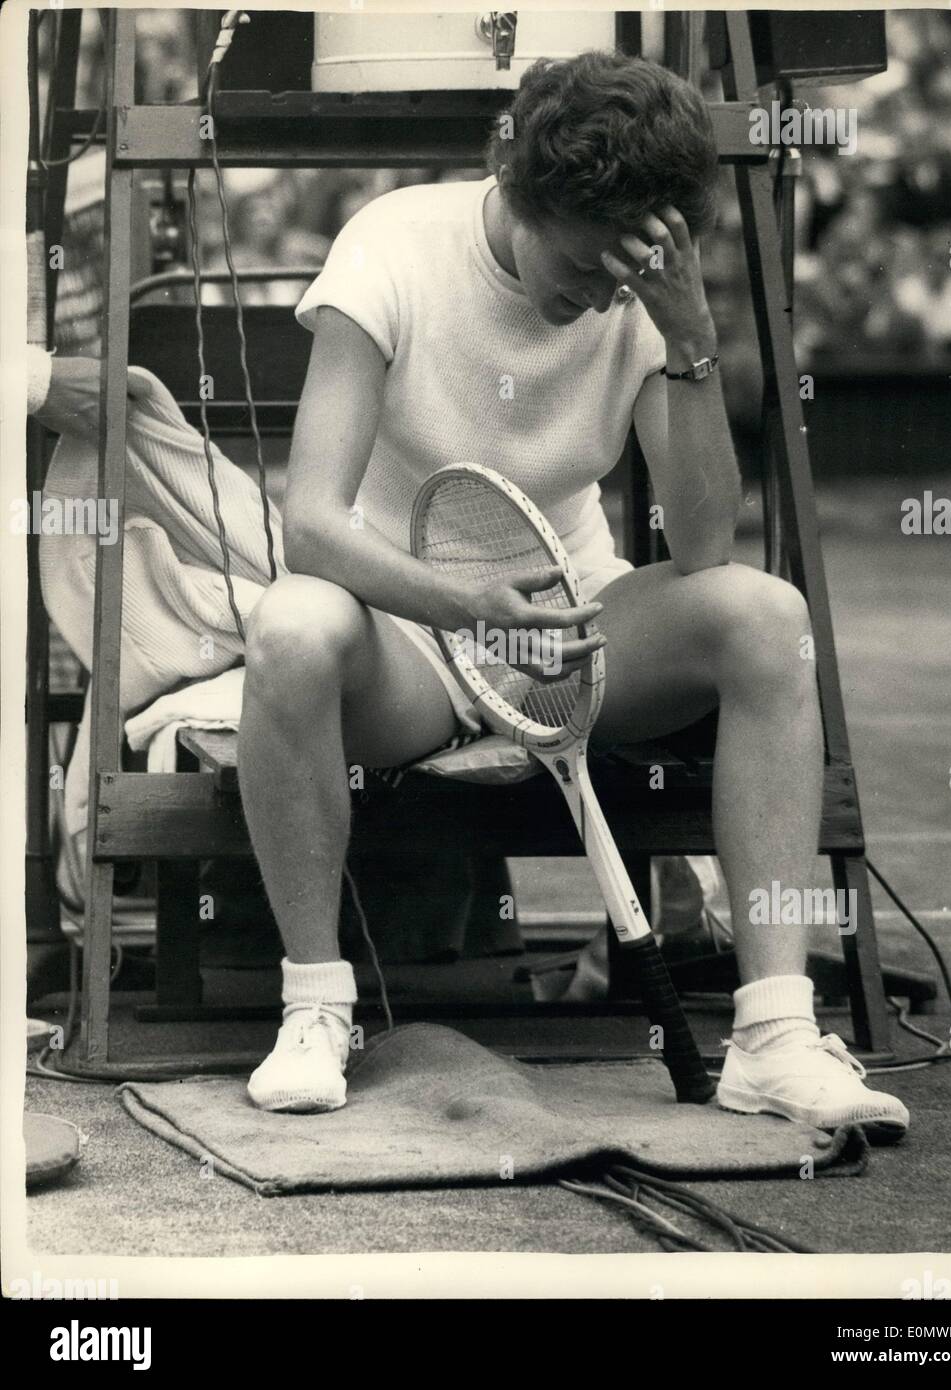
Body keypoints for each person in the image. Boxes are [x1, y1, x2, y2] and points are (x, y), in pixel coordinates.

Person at [240, 51, 909, 1140]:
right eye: (580, 270)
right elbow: (309, 524)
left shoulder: (640, 284)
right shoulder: (392, 245)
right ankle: (315, 1008)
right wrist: (463, 607)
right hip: (407, 638)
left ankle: (773, 1038)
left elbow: (699, 543)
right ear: (516, 191)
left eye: (620, 278)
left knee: (765, 617)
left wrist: (689, 340)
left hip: (573, 626)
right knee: (288, 625)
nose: (598, 297)